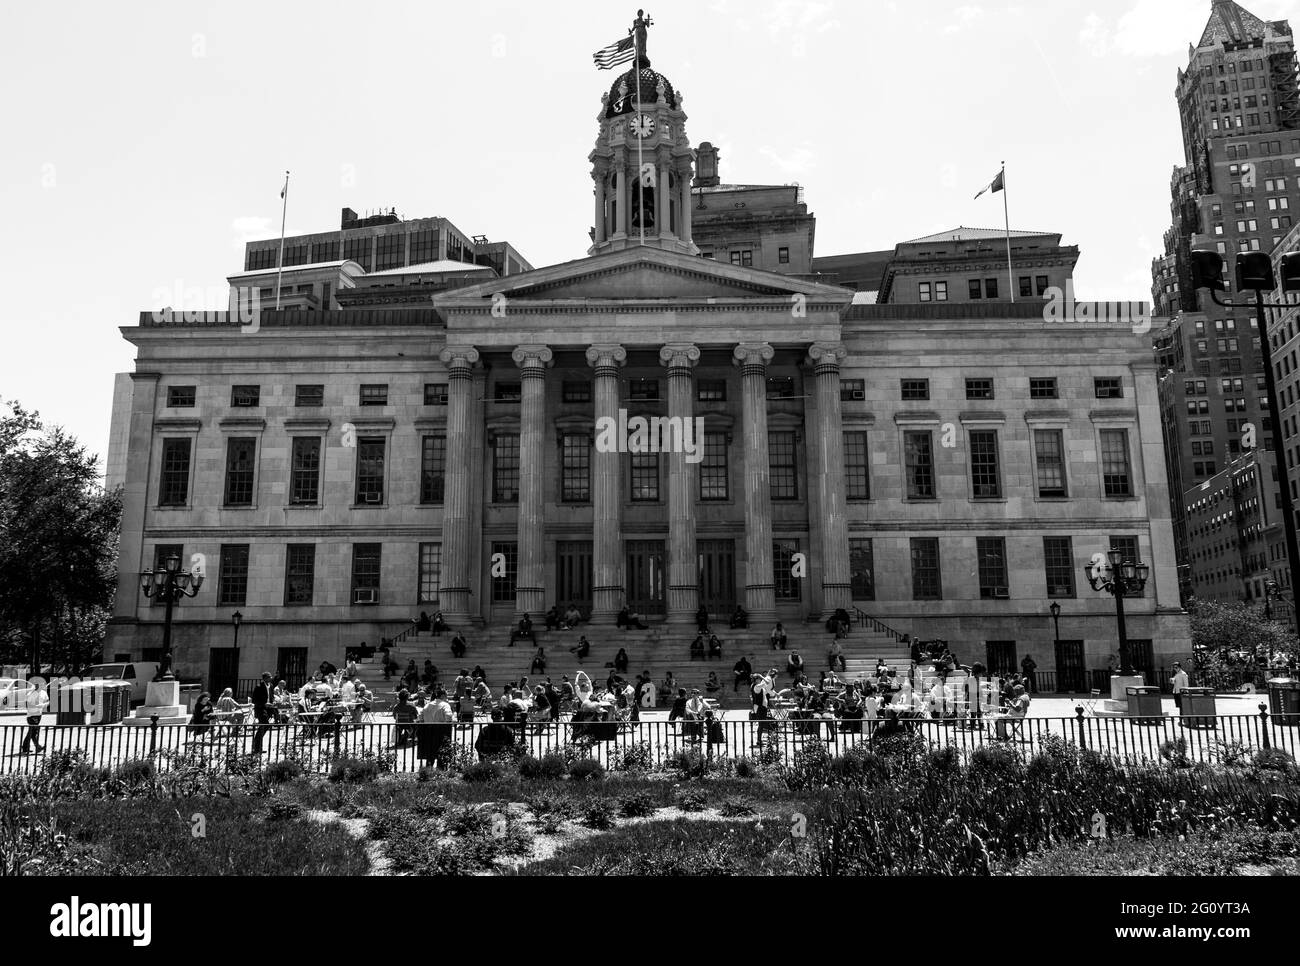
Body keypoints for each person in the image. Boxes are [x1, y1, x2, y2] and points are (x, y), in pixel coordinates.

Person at [417, 687, 455, 768]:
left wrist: (424, 723)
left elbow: (420, 716)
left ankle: (428, 773)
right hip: (440, 732)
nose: (447, 698)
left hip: (428, 732)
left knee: (430, 757)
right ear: (442, 696)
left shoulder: (427, 705)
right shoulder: (445, 705)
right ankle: (440, 773)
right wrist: (448, 724)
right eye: (446, 696)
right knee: (441, 755)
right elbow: (448, 716)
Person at [251, 672, 274, 754]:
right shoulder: (259, 687)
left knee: (265, 727)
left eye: (270, 677)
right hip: (260, 709)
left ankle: (258, 746)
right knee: (264, 725)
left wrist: (272, 703)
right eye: (268, 677)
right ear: (264, 678)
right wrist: (264, 704)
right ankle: (256, 746)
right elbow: (254, 700)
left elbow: (271, 696)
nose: (270, 678)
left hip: (268, 709)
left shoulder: (271, 686)